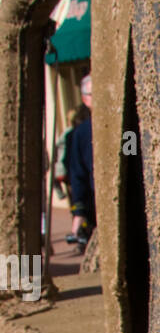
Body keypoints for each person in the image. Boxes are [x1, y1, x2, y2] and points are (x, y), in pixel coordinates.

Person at [64, 74, 95, 254]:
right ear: (85, 99)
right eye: (92, 94)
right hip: (94, 207)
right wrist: (78, 212)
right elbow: (77, 174)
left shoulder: (127, 130)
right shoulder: (80, 134)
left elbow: (131, 152)